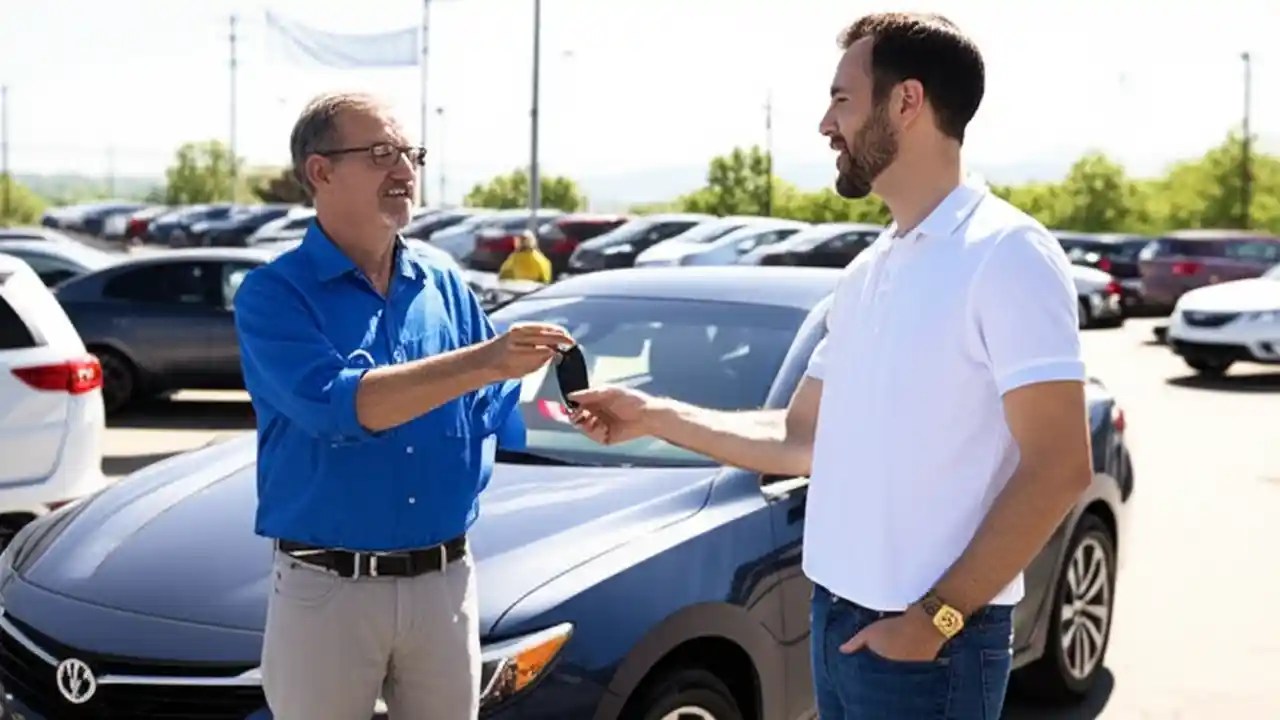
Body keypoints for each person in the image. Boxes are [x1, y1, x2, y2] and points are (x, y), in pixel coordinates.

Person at [568, 12, 1092, 719]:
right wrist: (655, 416)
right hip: (840, 626)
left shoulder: (1007, 253)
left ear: (906, 102)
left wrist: (935, 621)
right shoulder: (870, 269)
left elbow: (1059, 465)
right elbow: (801, 440)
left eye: (842, 99)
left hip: (932, 646)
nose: (824, 123)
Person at [232, 91, 572, 720]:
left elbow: (491, 405)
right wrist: (486, 361)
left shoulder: (442, 282)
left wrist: (578, 413)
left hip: (444, 583)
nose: (406, 171)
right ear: (320, 171)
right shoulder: (274, 295)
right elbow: (343, 407)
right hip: (327, 593)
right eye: (382, 153)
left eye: (410, 153)